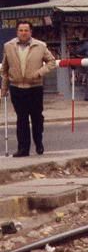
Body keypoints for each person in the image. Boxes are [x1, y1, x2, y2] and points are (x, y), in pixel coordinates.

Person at [0, 21, 56, 157]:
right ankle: (23, 149)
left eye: (26, 30)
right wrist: (4, 88)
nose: (23, 33)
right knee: (22, 119)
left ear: (31, 32)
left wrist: (39, 73)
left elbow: (52, 61)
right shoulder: (8, 46)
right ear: (17, 32)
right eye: (21, 30)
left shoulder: (40, 46)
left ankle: (39, 142)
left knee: (37, 117)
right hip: (17, 88)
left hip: (34, 87)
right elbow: (5, 68)